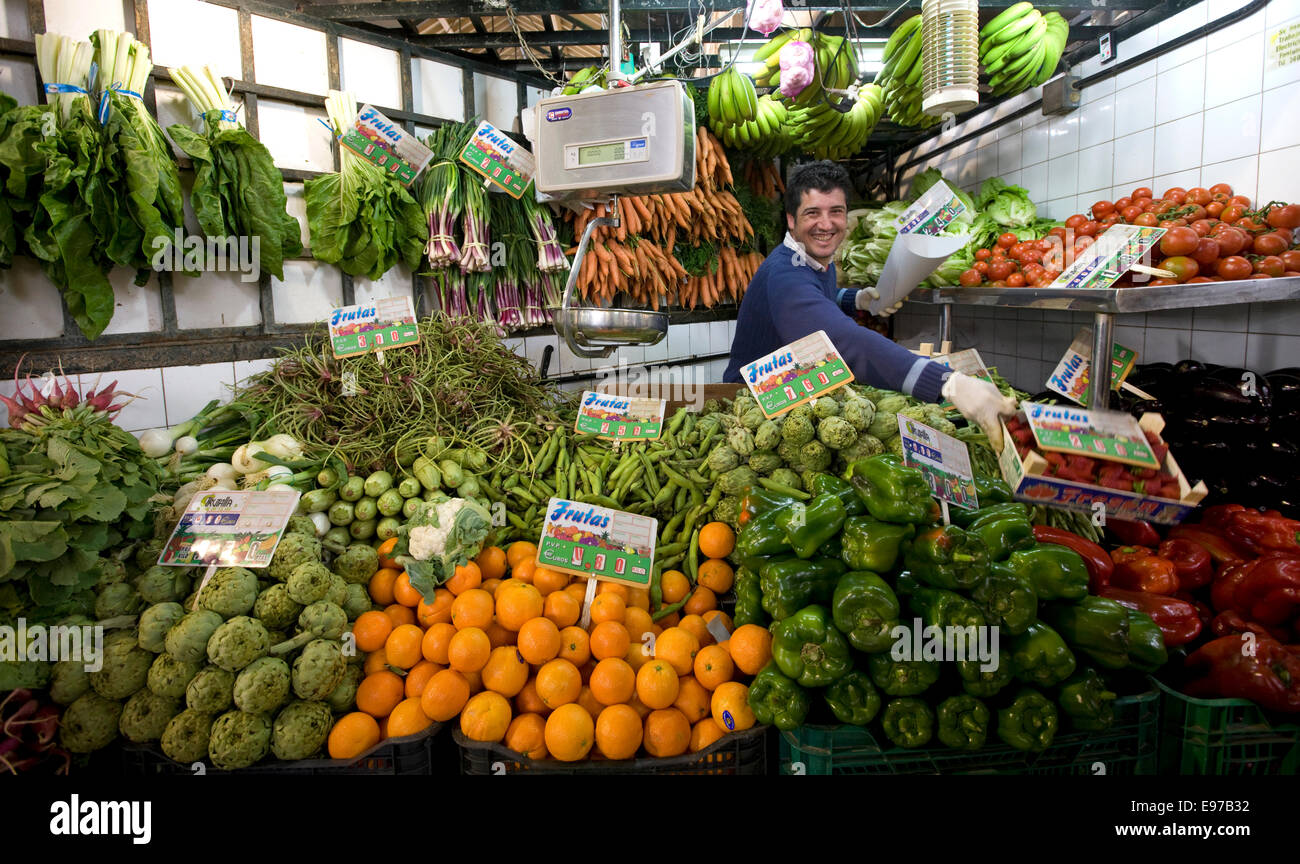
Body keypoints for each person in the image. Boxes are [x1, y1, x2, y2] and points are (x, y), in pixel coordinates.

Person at [723, 160, 1017, 446]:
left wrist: (854, 299)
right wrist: (946, 383)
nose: (826, 224)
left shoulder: (811, 258)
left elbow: (816, 298)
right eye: (812, 213)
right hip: (754, 409)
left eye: (835, 211)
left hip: (791, 391)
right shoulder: (785, 275)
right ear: (791, 219)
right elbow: (838, 341)